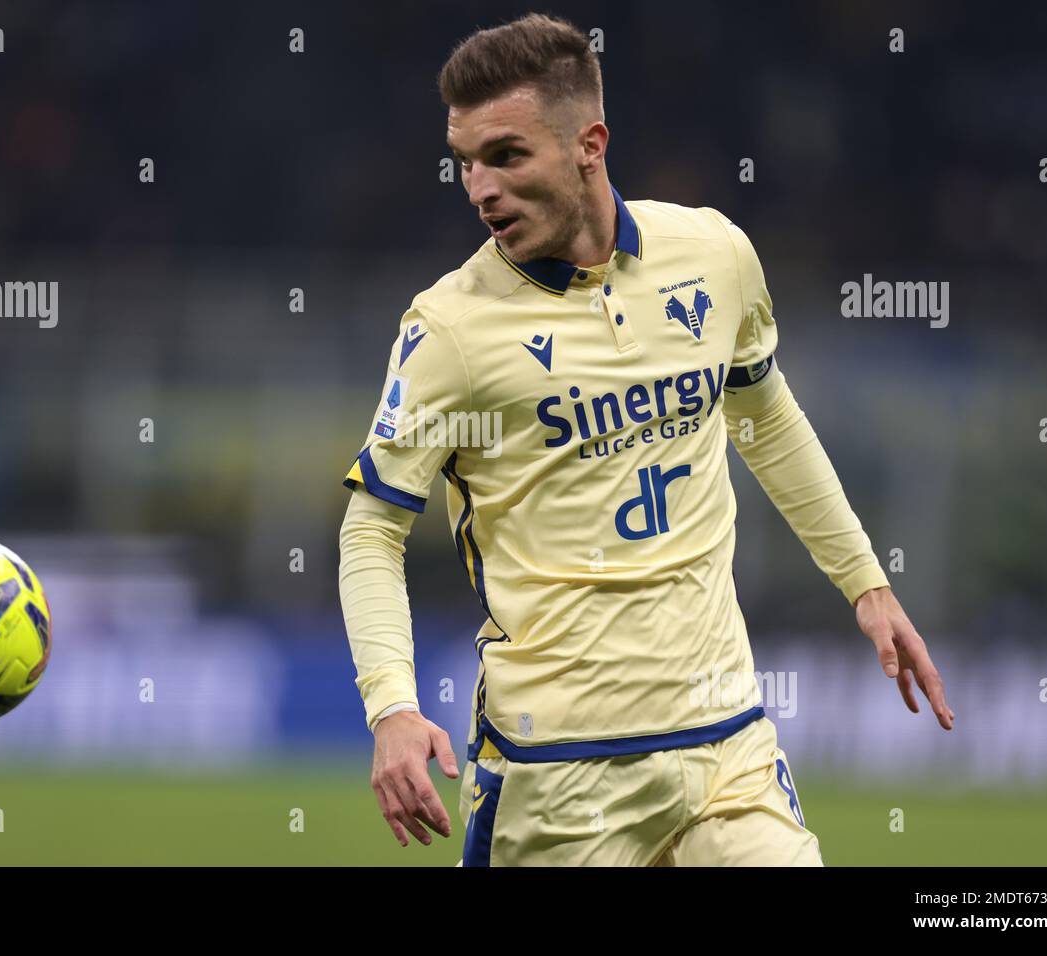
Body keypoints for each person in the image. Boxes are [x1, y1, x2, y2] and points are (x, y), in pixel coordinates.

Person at [337, 12, 953, 866]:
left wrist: (866, 585)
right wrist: (390, 706)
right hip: (557, 769)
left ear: (589, 143)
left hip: (725, 739)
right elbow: (373, 526)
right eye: (465, 164)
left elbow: (766, 418)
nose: (480, 189)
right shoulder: (449, 330)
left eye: (507, 156)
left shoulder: (714, 255)